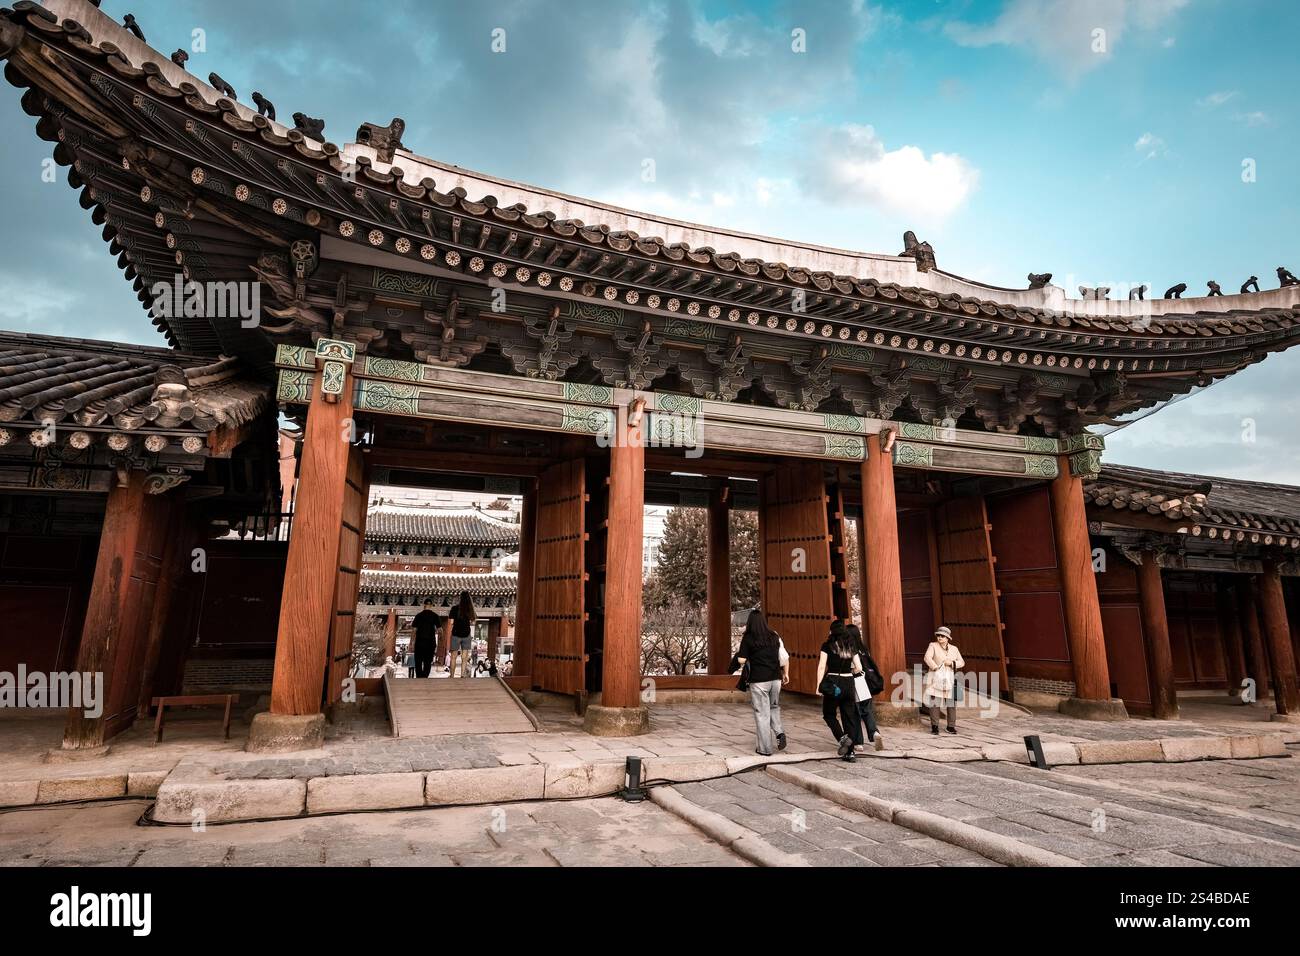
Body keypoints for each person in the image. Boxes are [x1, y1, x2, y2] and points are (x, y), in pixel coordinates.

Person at [734, 609, 788, 756]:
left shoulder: (749, 638)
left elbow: (741, 660)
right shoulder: (774, 636)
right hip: (775, 679)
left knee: (762, 714)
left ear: (750, 622)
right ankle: (779, 732)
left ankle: (765, 749)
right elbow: (783, 657)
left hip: (759, 681)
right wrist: (786, 673)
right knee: (774, 707)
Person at [816, 621, 864, 761]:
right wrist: (851, 672)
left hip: (833, 683)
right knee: (848, 717)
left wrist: (818, 685)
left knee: (829, 714)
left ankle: (842, 739)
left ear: (832, 632)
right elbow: (859, 667)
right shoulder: (851, 645)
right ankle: (850, 753)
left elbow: (821, 667)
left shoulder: (827, 646)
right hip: (849, 682)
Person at [846, 623, 885, 751]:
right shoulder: (864, 648)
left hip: (854, 682)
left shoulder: (850, 649)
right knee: (867, 710)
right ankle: (874, 732)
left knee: (855, 713)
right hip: (865, 683)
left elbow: (857, 668)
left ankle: (858, 742)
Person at [923, 626, 965, 735]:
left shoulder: (954, 649)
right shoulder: (933, 646)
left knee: (951, 704)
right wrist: (936, 668)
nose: (939, 637)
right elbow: (927, 658)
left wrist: (951, 663)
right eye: (938, 635)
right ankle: (935, 726)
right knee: (935, 703)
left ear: (948, 638)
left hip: (949, 679)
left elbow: (962, 662)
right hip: (935, 678)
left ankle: (951, 726)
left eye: (942, 636)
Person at [447, 590, 477, 678]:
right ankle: (462, 675)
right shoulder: (470, 609)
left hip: (456, 633)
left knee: (453, 657)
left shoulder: (454, 608)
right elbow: (473, 621)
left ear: (460, 598)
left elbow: (451, 622)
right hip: (466, 634)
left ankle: (452, 675)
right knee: (464, 657)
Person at [410, 599, 442, 678]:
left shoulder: (418, 615)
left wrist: (411, 642)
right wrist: (441, 640)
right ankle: (425, 677)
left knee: (418, 661)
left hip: (419, 642)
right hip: (430, 643)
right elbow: (440, 630)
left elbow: (414, 630)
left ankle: (419, 677)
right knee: (428, 662)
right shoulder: (435, 616)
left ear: (424, 605)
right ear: (431, 605)